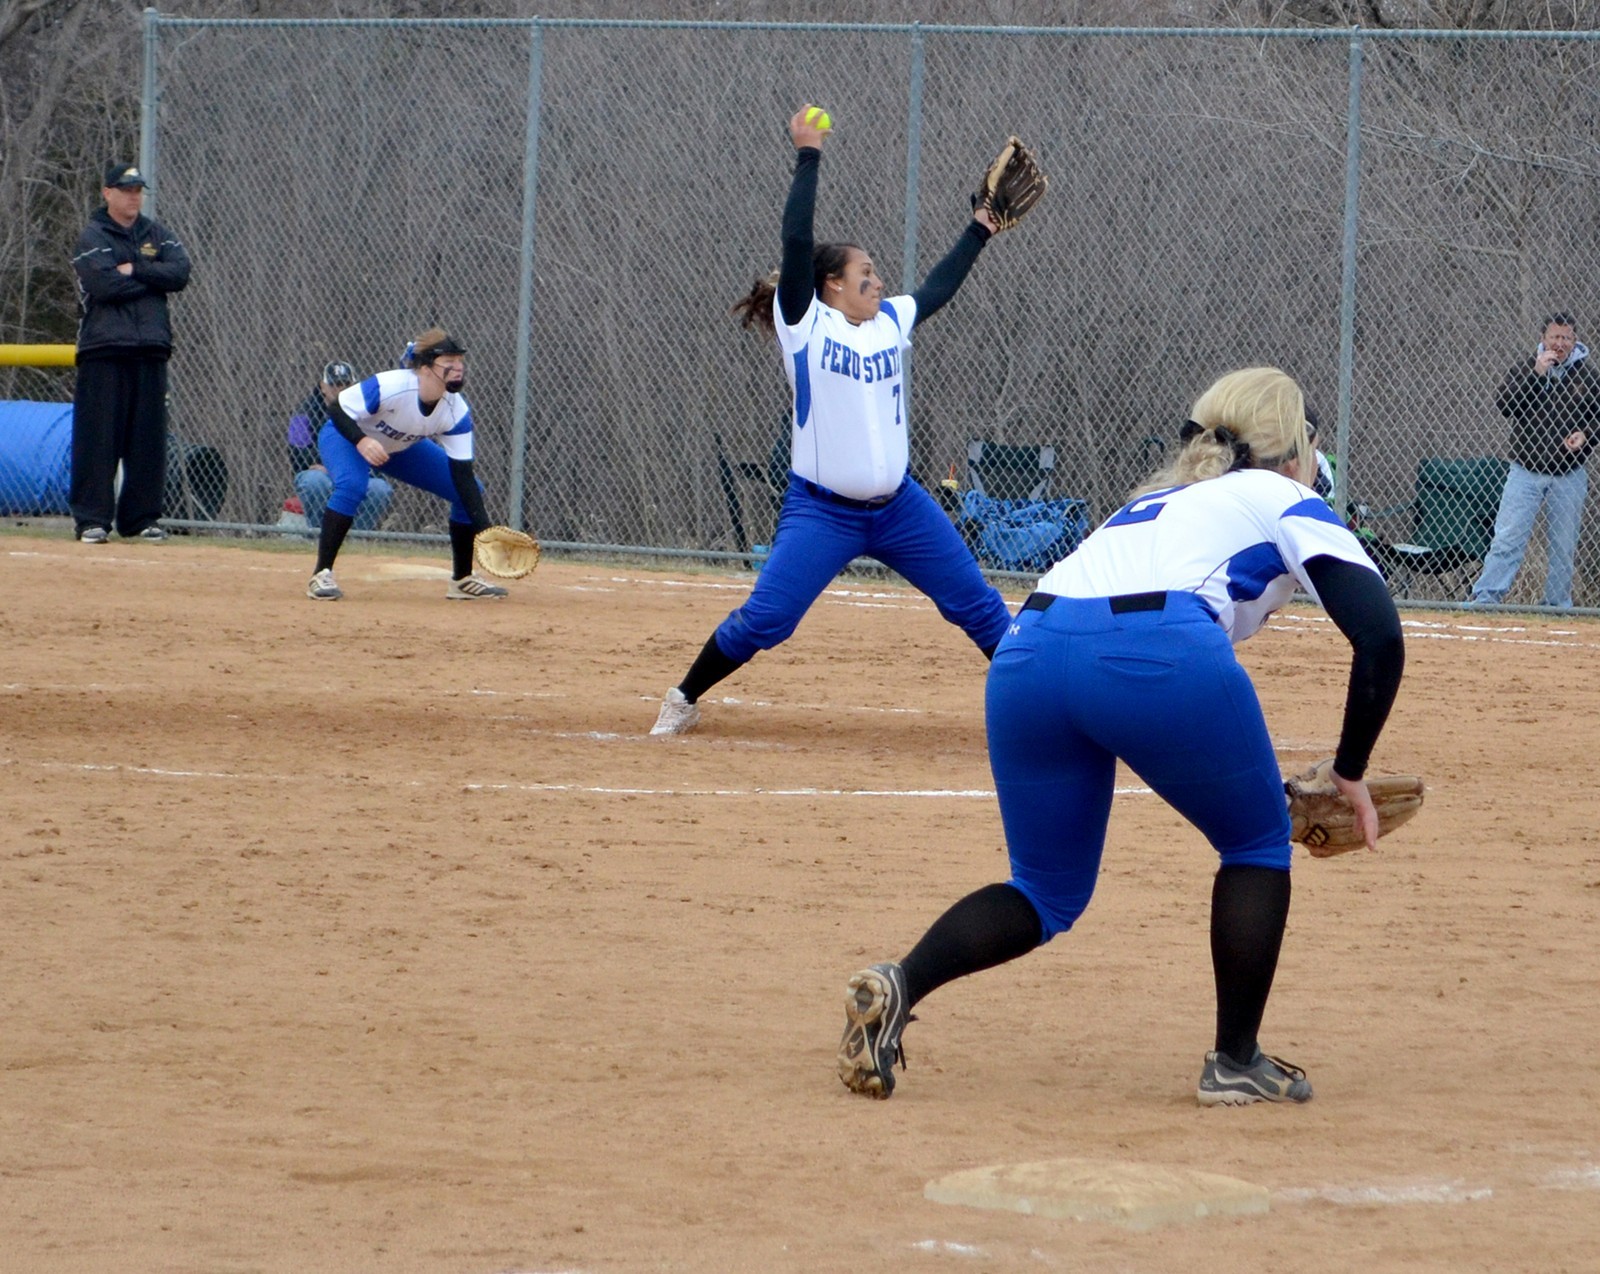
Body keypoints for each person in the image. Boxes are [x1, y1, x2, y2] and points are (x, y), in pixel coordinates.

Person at [835, 367, 1406, 1107]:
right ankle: (1235, 1060)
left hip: (1028, 650)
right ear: (1295, 449)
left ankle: (900, 983)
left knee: (1042, 889)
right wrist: (1351, 768)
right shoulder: (1288, 495)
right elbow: (1380, 636)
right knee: (1257, 844)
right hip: (1154, 646)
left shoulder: (1151, 502)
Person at [649, 105, 1013, 735]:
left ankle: (1040, 710)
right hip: (823, 511)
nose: (877, 281)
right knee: (769, 618)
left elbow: (940, 284)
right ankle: (683, 696)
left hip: (901, 509)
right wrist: (808, 154)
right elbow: (795, 242)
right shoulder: (805, 325)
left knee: (978, 606)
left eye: (875, 274)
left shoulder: (891, 323)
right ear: (830, 285)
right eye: (864, 274)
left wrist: (979, 228)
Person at [304, 327, 508, 602]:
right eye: (449, 364)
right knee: (352, 485)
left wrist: (485, 532)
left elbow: (463, 476)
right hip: (346, 436)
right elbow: (338, 408)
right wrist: (362, 441)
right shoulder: (392, 386)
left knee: (470, 492)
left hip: (399, 447)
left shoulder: (456, 411)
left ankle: (462, 579)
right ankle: (321, 574)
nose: (459, 369)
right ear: (425, 369)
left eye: (460, 362)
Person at [69, 161, 192, 543]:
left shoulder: (155, 233)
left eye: (138, 190)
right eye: (126, 190)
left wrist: (135, 269)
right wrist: (152, 277)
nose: (133, 197)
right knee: (99, 439)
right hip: (104, 349)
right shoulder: (93, 236)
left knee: (147, 441)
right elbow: (104, 285)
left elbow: (180, 272)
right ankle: (92, 519)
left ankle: (141, 519)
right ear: (108, 193)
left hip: (151, 348)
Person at [1469, 312, 1599, 608]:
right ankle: (1487, 598)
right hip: (1525, 471)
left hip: (1568, 474)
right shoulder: (1526, 368)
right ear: (1544, 339)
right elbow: (1506, 404)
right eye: (1555, 337)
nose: (1560, 343)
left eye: (1566, 337)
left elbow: (1598, 418)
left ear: (1575, 340)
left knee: (1563, 547)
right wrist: (1536, 374)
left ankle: (1555, 605)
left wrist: (1586, 435)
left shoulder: (1589, 378)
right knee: (1507, 539)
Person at [288, 360, 393, 532]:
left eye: (346, 384)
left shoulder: (368, 412)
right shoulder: (303, 412)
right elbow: (296, 452)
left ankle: (355, 539)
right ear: (323, 386)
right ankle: (319, 536)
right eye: (334, 384)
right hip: (318, 472)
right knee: (314, 482)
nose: (340, 389)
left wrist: (342, 469)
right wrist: (329, 468)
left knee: (379, 489)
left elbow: (379, 452)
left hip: (358, 471)